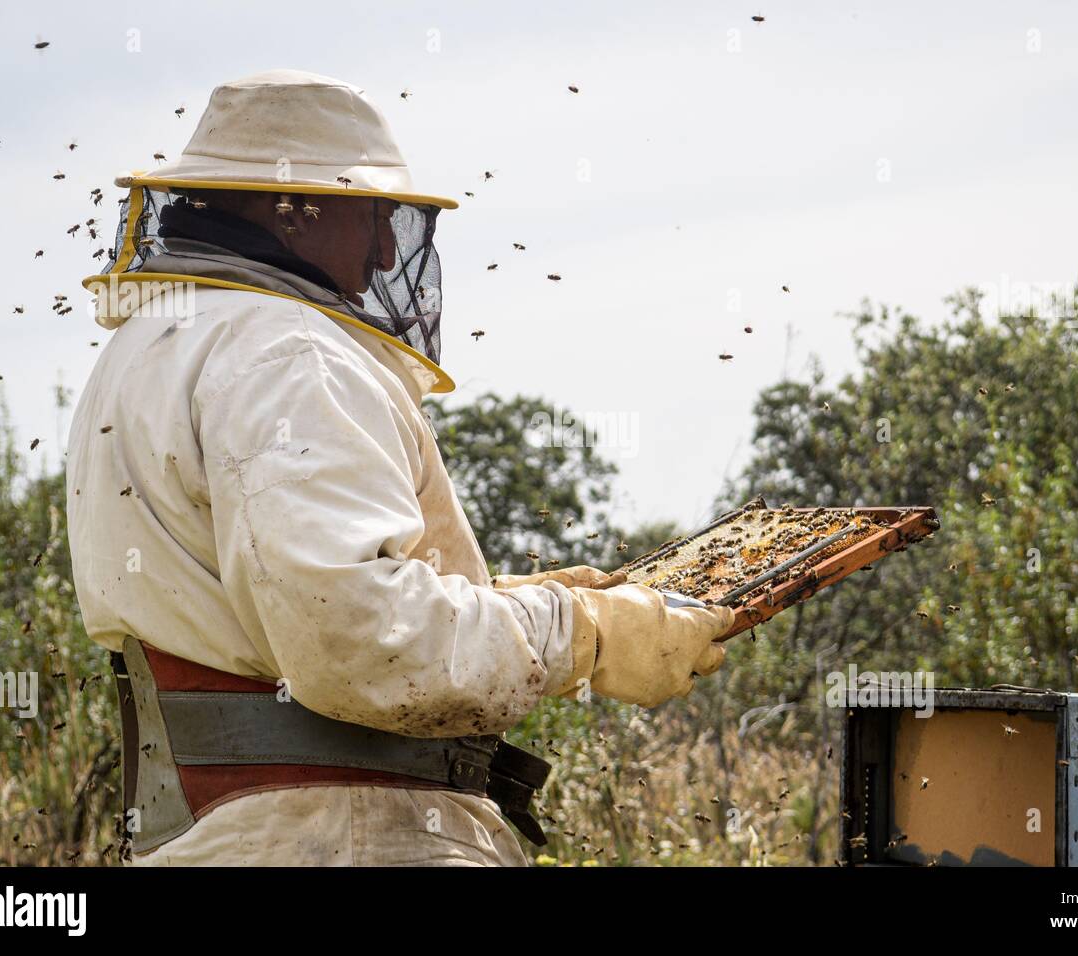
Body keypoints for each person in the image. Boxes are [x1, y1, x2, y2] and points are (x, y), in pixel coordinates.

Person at [66, 69, 733, 866]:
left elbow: (268, 608)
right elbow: (358, 636)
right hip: (341, 837)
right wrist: (578, 635)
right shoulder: (287, 353)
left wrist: (510, 605)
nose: (387, 248)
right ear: (291, 207)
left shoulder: (152, 349)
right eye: (372, 216)